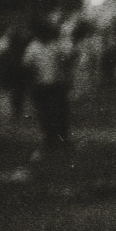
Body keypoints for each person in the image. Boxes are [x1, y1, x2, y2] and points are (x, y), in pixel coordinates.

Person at [24, 16, 75, 152]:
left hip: (56, 83)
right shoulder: (33, 47)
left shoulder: (56, 45)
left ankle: (62, 136)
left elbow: (66, 61)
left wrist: (66, 77)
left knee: (60, 111)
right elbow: (28, 66)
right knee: (44, 112)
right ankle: (49, 137)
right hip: (41, 85)